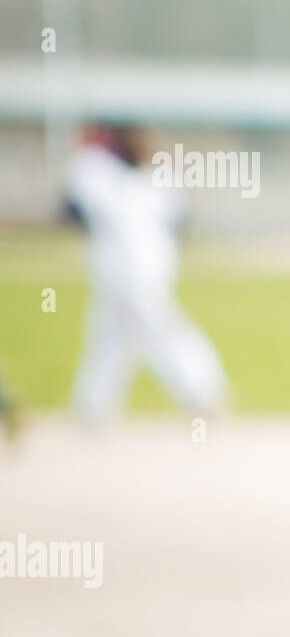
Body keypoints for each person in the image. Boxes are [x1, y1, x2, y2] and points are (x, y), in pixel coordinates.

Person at [63, 121, 228, 423]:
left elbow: (69, 213)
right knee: (110, 331)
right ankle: (93, 406)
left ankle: (202, 393)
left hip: (137, 265)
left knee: (154, 326)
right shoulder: (101, 168)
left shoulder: (95, 168)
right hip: (131, 264)